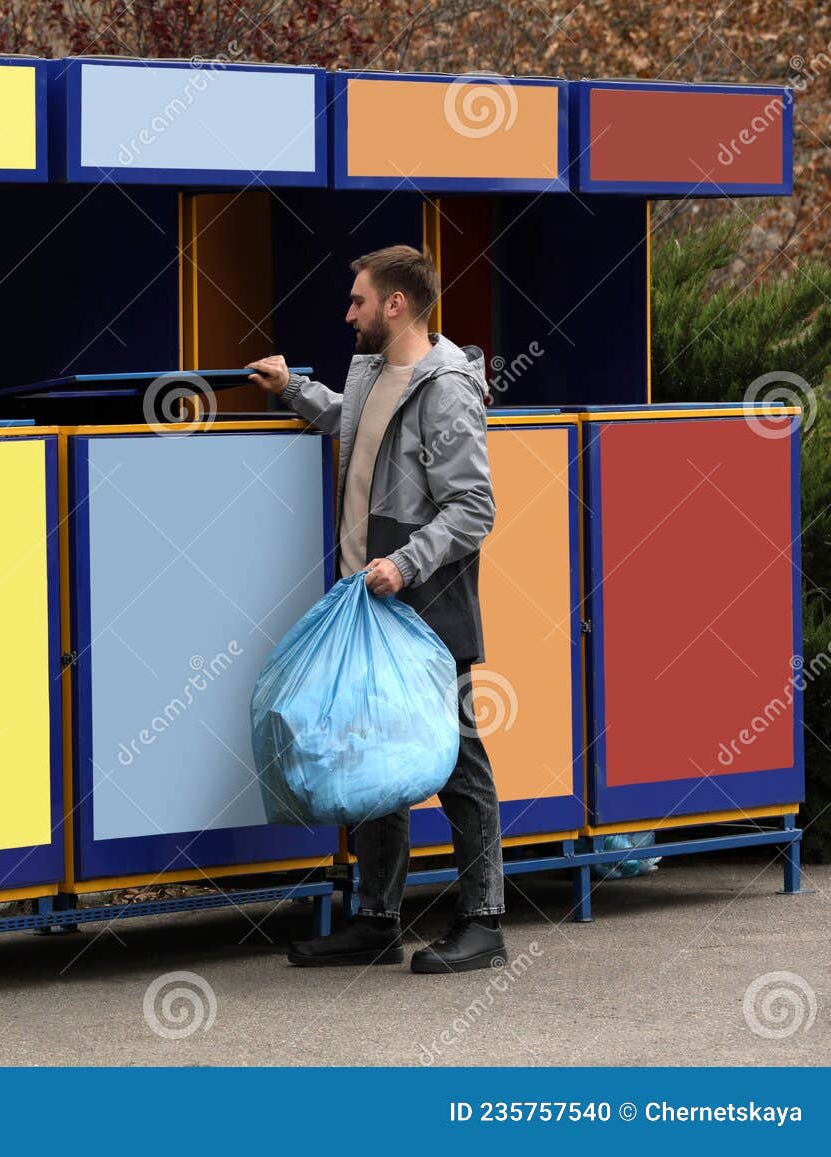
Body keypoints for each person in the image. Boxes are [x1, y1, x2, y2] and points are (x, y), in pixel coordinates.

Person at [244, 245, 503, 974]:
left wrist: (404, 562)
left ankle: (484, 921)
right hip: (370, 599)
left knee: (457, 760)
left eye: (358, 300)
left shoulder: (447, 388)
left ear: (396, 304)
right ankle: (377, 919)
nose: (347, 312)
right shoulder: (369, 371)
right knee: (371, 759)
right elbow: (352, 429)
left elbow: (473, 506)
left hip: (422, 603)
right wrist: (292, 384)